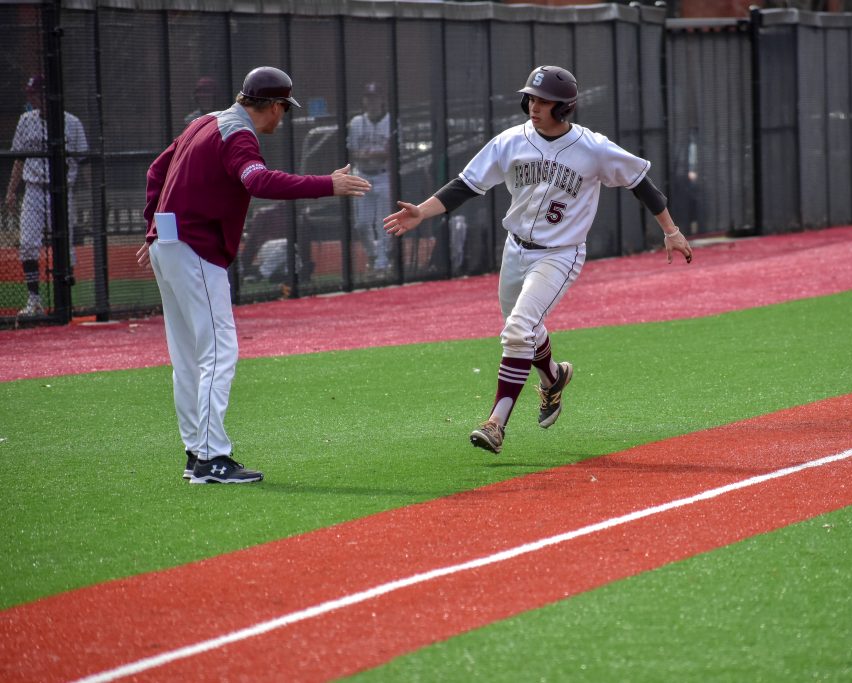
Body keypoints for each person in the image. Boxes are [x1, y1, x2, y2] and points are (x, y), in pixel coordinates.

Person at [384, 65, 693, 454]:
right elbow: (467, 184)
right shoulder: (511, 141)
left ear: (564, 107)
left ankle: (496, 423)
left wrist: (671, 230)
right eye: (531, 97)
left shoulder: (593, 148)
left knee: (518, 330)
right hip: (515, 250)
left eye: (544, 100)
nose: (534, 105)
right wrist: (422, 212)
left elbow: (640, 183)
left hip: (561, 254)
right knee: (524, 329)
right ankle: (553, 377)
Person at [136, 66, 371, 484]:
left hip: (167, 244)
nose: (283, 117)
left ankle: (196, 453)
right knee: (218, 352)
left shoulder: (204, 123)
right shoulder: (239, 134)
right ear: (274, 106)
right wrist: (326, 184)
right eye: (284, 108)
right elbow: (258, 181)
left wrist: (151, 226)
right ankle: (211, 458)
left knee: (189, 357)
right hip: (194, 248)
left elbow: (157, 170)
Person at [4, 74, 88, 317]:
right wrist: (11, 191)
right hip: (33, 190)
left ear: (47, 94)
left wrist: (90, 192)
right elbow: (18, 159)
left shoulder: (71, 122)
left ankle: (67, 301)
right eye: (30, 93)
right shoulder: (25, 121)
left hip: (62, 191)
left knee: (65, 246)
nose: (32, 98)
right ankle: (34, 300)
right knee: (29, 245)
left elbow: (84, 160)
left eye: (36, 93)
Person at [347, 81, 393, 273]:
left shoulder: (391, 120)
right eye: (369, 98)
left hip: (383, 175)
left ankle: (382, 262)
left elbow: (388, 152)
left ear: (382, 100)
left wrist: (368, 154)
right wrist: (372, 154)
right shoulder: (357, 123)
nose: (372, 102)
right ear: (364, 101)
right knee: (361, 224)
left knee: (383, 222)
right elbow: (352, 151)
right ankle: (373, 254)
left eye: (375, 98)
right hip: (362, 175)